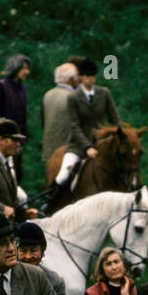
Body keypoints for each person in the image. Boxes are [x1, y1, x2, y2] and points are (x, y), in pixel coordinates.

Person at [40, 58, 121, 213]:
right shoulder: (73, 97)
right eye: (87, 76)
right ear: (81, 78)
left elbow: (114, 118)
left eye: (93, 76)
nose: (90, 79)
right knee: (63, 175)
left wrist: (121, 135)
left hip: (100, 144)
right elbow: (74, 126)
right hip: (77, 145)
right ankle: (49, 203)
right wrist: (87, 147)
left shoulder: (104, 93)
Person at [0, 55, 31, 182]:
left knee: (17, 172)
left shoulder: (22, 88)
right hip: (4, 138)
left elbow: (23, 114)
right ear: (15, 69)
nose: (27, 72)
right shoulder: (1, 87)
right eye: (24, 68)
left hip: (17, 137)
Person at [15, 221, 66, 295]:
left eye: (33, 250)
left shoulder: (55, 282)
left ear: (42, 251)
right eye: (23, 251)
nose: (28, 256)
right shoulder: (5, 278)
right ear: (15, 251)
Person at [41, 62, 80, 164]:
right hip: (69, 152)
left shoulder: (47, 95)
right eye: (77, 75)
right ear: (71, 78)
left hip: (49, 151)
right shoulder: (75, 96)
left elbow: (43, 122)